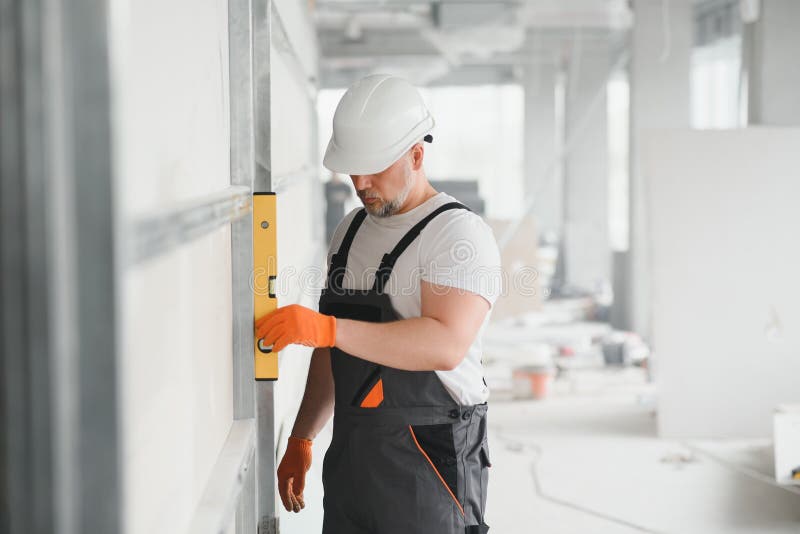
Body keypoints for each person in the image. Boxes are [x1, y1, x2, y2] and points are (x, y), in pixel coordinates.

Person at [255, 74, 501, 534]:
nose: (361, 183)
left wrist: (329, 329)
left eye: (374, 168)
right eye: (353, 169)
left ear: (416, 155)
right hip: (353, 463)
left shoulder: (457, 235)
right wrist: (303, 435)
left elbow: (445, 344)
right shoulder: (349, 232)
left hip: (429, 465)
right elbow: (335, 351)